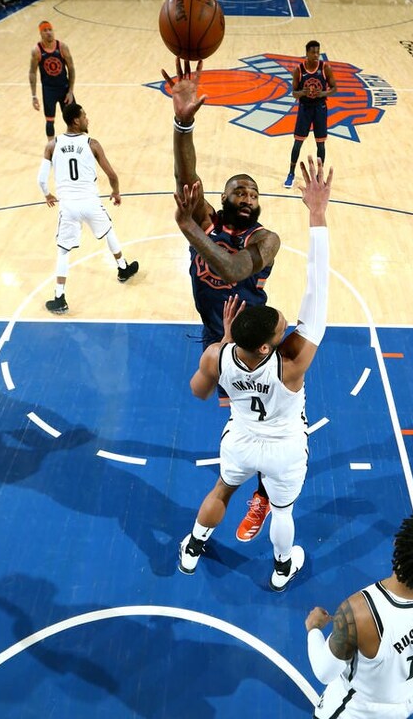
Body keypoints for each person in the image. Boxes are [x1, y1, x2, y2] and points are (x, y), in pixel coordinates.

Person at [177, 156, 332, 591]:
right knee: (283, 513)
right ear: (269, 345)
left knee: (221, 491)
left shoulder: (219, 358)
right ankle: (282, 568)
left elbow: (197, 392)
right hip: (283, 449)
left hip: (241, 442)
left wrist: (222, 343)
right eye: (281, 325)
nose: (286, 323)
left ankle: (193, 546)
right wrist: (317, 215)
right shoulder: (292, 364)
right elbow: (317, 288)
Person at [161, 57, 282, 543]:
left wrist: (190, 229)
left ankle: (263, 496)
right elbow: (185, 178)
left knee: (265, 424)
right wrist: (183, 123)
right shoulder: (207, 218)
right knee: (233, 416)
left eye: (252, 190)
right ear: (226, 197)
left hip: (256, 343)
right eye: (238, 188)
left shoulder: (267, 238)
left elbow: (233, 270)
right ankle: (242, 486)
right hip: (219, 335)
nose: (247, 192)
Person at [305, 509, 413, 718]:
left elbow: (325, 672)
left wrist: (314, 629)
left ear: (396, 546)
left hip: (362, 707)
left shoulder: (360, 612)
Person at [36, 102, 139, 314]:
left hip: (69, 206)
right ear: (76, 120)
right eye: (84, 116)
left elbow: (41, 180)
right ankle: (123, 269)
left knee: (63, 251)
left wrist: (47, 194)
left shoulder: (52, 145)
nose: (87, 119)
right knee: (109, 232)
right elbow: (112, 175)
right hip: (91, 202)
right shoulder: (92, 144)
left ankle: (59, 297)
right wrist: (116, 192)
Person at [284, 41, 337, 189]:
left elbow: (334, 88)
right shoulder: (299, 70)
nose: (315, 55)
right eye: (313, 52)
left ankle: (320, 176)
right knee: (297, 143)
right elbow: (294, 92)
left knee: (320, 144)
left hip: (320, 108)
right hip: (305, 108)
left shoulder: (325, 68)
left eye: (317, 53)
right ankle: (291, 174)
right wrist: (303, 93)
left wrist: (324, 93)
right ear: (306, 53)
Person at [29, 20, 75, 140]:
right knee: (50, 122)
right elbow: (32, 72)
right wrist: (34, 96)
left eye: (50, 30)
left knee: (74, 120)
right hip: (49, 90)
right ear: (41, 34)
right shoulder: (37, 51)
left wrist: (70, 91)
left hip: (64, 88)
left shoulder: (62, 47)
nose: (49, 33)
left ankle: (75, 144)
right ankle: (52, 150)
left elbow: (71, 69)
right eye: (45, 30)